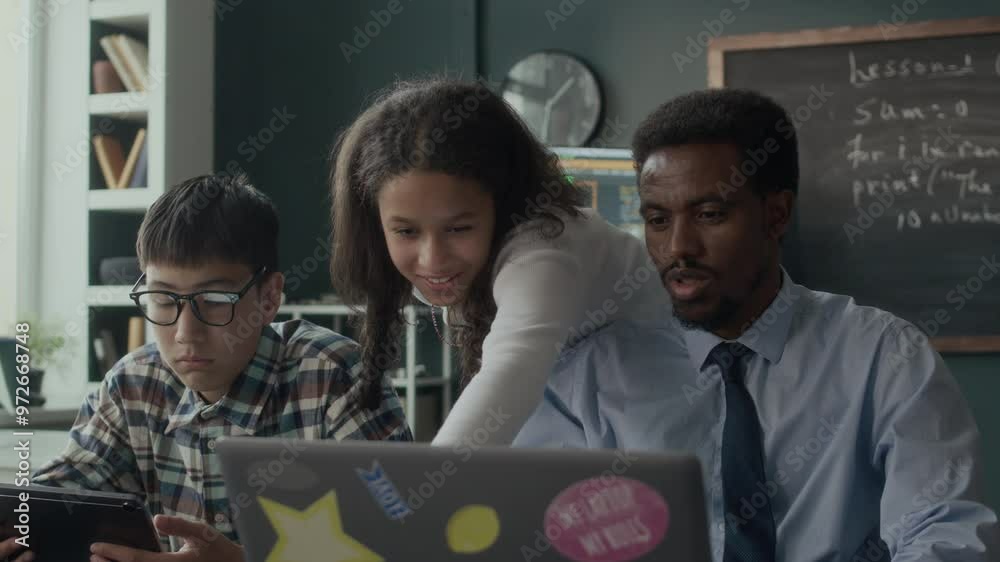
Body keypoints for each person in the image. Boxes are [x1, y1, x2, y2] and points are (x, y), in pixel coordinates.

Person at [514, 89, 999, 561]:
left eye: (709, 214)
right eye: (658, 220)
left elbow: (942, 530)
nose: (679, 247)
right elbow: (537, 538)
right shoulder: (588, 378)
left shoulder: (884, 358)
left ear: (776, 214)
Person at [30, 174, 412, 560]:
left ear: (269, 298)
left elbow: (403, 536)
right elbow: (58, 493)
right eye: (162, 298)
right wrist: (23, 535)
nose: (185, 333)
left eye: (214, 299)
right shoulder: (132, 384)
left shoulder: (336, 375)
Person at [328, 77, 669, 447]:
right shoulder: (453, 257)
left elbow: (513, 367)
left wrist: (425, 491)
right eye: (407, 232)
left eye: (458, 228)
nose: (433, 260)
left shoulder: (545, 249)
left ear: (503, 203)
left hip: (658, 416)